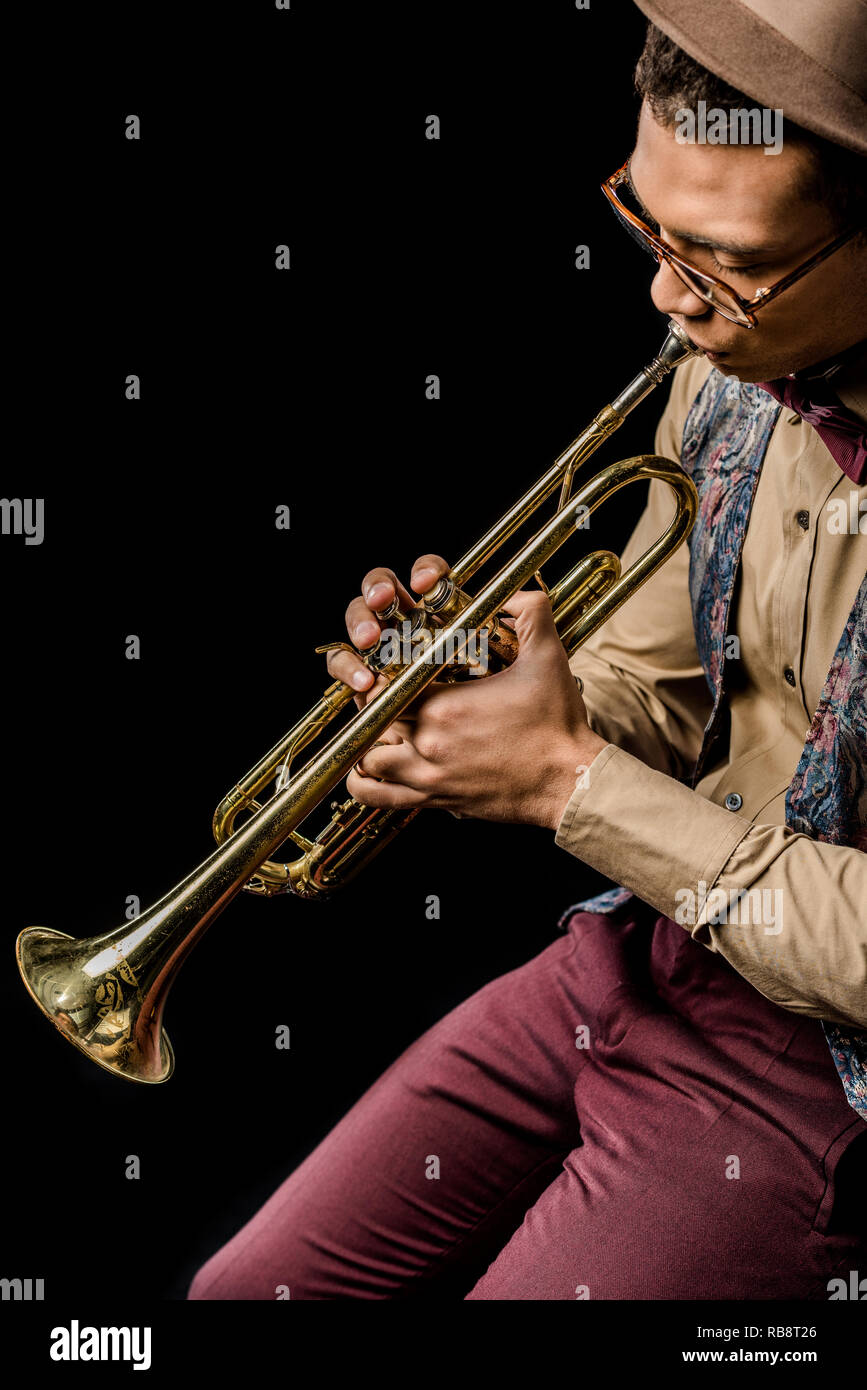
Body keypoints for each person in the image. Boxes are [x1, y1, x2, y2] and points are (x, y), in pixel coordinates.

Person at [188, 4, 866, 1299]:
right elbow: (667, 688)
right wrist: (481, 696)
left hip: (817, 1081)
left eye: (722, 260)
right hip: (639, 951)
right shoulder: (730, 363)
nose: (666, 295)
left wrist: (565, 781)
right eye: (649, 228)